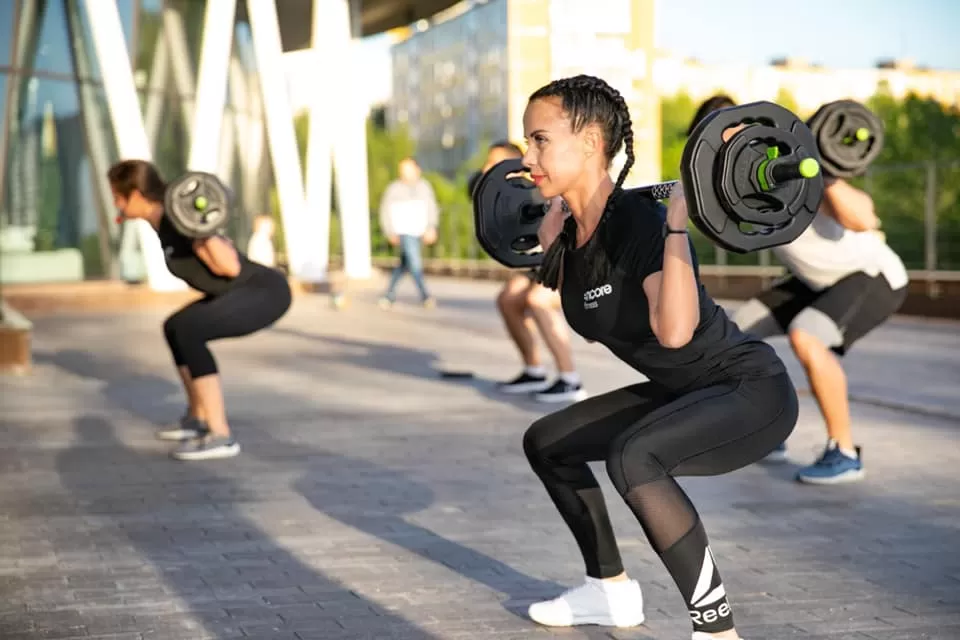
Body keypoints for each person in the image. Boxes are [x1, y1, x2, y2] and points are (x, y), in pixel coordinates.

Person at [517, 74, 798, 640]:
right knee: (548, 444)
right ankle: (610, 592)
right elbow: (584, 299)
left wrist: (676, 229)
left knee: (634, 456)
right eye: (527, 141)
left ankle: (717, 631)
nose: (528, 156)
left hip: (748, 389)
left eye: (540, 140)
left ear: (592, 142)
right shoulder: (572, 233)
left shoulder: (643, 221)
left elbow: (674, 333)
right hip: (685, 392)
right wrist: (552, 242)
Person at [729, 105, 908, 484]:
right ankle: (769, 432)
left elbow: (866, 219)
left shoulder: (809, 173)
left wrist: (825, 174)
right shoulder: (751, 181)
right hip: (815, 282)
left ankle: (844, 452)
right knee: (734, 335)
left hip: (871, 275)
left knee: (807, 336)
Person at [108, 160, 292, 461]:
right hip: (243, 291)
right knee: (176, 326)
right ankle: (198, 418)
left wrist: (201, 233)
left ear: (137, 194)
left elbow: (229, 267)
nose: (115, 202)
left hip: (264, 292)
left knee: (191, 330)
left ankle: (220, 435)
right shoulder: (164, 222)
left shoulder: (178, 219)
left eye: (118, 195)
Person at [472, 141, 587, 403]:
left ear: (512, 167)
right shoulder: (505, 196)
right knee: (508, 299)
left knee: (538, 300)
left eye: (493, 162)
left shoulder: (548, 185)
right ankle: (533, 370)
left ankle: (570, 380)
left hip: (573, 261)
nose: (485, 168)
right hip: (540, 264)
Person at [378, 157, 439, 309]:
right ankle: (425, 295)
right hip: (404, 231)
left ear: (417, 170)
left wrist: (431, 227)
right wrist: (389, 231)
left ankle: (389, 295)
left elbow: (431, 207)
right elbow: (385, 210)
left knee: (404, 264)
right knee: (415, 262)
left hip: (418, 230)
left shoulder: (424, 187)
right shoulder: (394, 189)